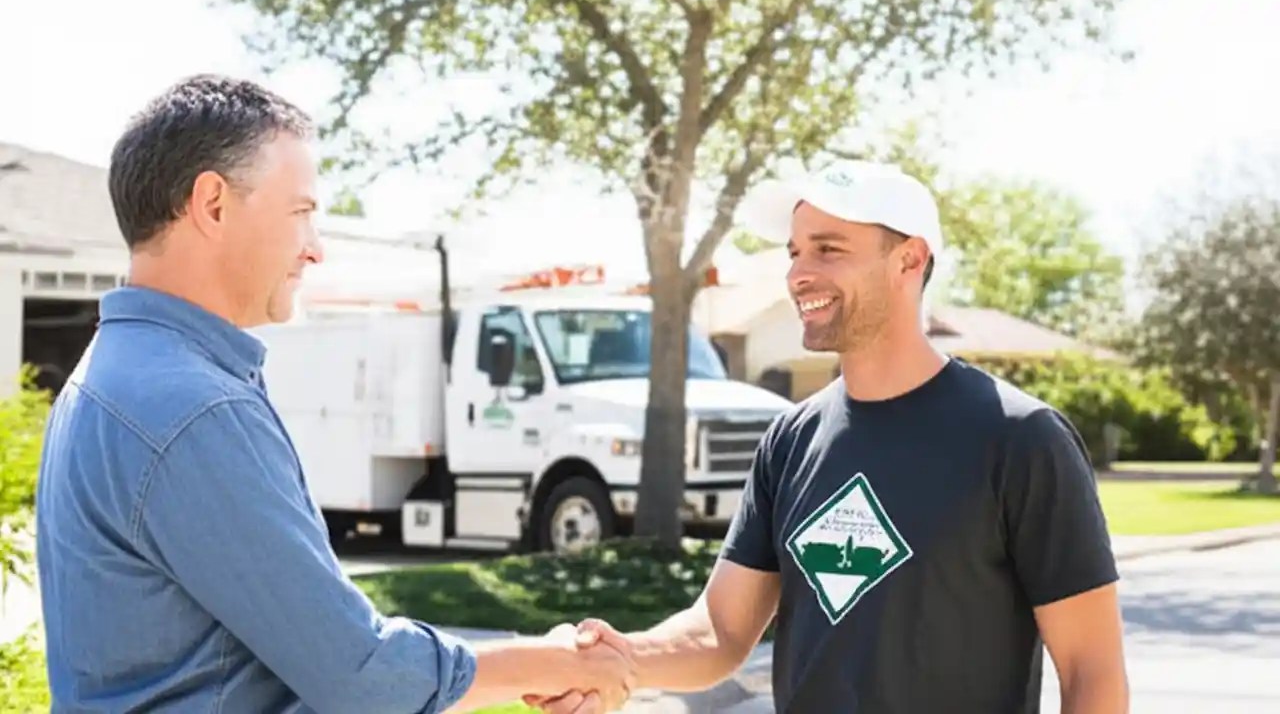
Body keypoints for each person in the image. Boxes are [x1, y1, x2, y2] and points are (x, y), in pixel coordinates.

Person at [34, 74, 633, 714]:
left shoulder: (106, 380)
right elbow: (360, 677)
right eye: (301, 213)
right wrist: (548, 665)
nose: (315, 250)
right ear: (212, 204)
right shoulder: (193, 408)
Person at [532, 161, 1129, 713]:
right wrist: (619, 660)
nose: (797, 274)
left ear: (909, 260)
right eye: (794, 252)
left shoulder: (1020, 439)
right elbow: (722, 631)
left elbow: (1090, 672)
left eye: (828, 250)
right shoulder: (791, 440)